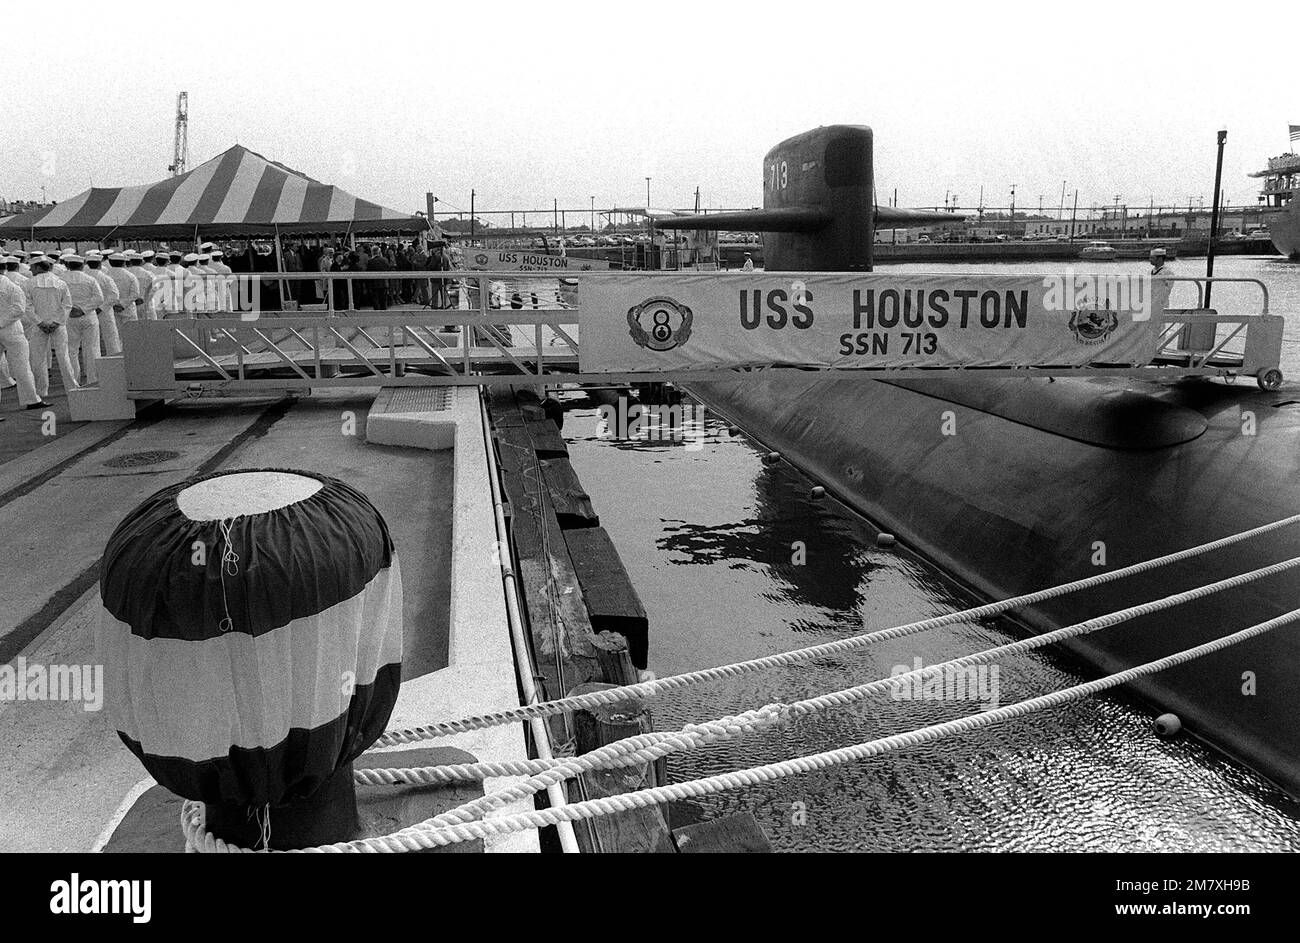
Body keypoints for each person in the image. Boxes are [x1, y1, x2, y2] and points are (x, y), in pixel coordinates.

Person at [22, 255, 79, 400]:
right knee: (64, 356)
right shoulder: (60, 283)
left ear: (38, 267)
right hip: (58, 326)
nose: (30, 269)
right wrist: (57, 322)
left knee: (38, 358)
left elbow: (27, 307)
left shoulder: (28, 284)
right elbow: (67, 305)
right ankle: (71, 387)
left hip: (38, 326)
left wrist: (39, 322)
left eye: (32, 267)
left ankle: (41, 391)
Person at [0, 270, 43, 413]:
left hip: (7, 328)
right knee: (22, 366)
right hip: (11, 330)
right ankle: (31, 399)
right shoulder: (12, 287)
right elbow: (19, 309)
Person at [60, 254, 105, 386]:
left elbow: (58, 298)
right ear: (82, 265)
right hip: (88, 317)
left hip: (69, 317)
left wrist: (71, 308)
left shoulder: (61, 280)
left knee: (71, 350)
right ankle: (93, 379)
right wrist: (83, 309)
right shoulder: (90, 279)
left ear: (67, 265)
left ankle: (74, 381)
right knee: (91, 348)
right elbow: (99, 298)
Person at [85, 250, 123, 354]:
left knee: (91, 341)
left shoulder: (84, 277)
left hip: (87, 311)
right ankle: (114, 360)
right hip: (105, 311)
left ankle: (93, 366)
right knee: (111, 338)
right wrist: (101, 307)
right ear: (100, 264)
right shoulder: (105, 278)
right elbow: (114, 295)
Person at [365, 244, 391, 310]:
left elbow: (368, 272)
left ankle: (377, 312)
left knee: (375, 300)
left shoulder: (370, 261)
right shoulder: (385, 260)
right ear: (379, 252)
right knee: (383, 300)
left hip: (374, 283)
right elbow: (388, 269)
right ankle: (384, 311)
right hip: (384, 282)